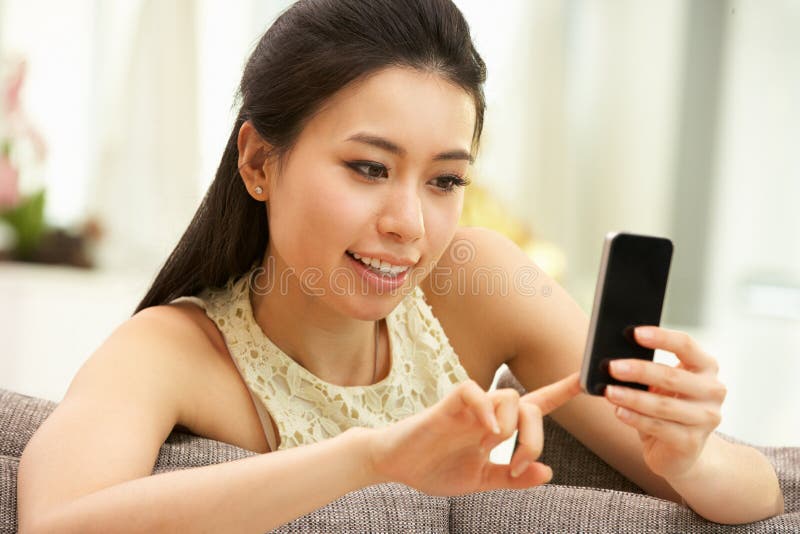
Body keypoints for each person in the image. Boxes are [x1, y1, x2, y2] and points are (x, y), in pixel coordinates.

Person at [17, 0, 784, 531]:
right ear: (257, 160)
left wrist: (689, 454)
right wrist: (374, 458)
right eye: (368, 168)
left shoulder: (475, 281)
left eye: (445, 180)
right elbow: (54, 524)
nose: (409, 226)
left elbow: (758, 495)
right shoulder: (174, 351)